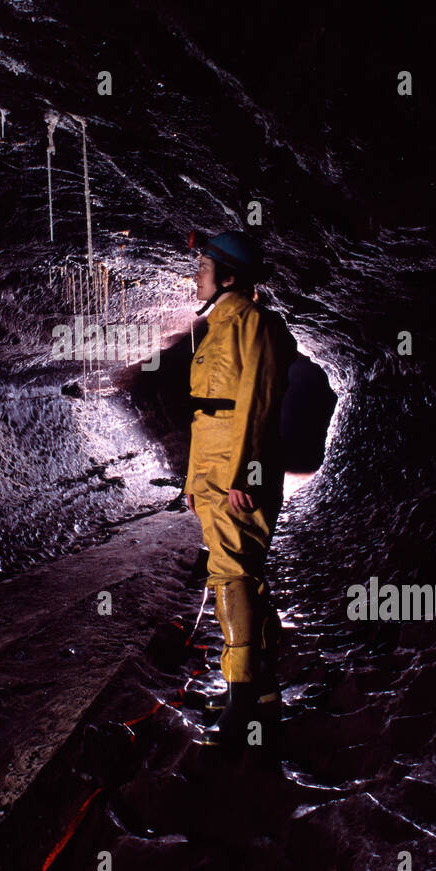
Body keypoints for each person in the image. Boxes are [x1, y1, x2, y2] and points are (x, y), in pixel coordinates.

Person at [184, 231, 297, 752]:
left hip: (236, 464)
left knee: (231, 575)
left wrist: (246, 472)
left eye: (204, 265)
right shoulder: (213, 328)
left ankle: (241, 698)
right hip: (211, 462)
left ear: (229, 276)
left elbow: (256, 400)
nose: (197, 273)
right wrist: (192, 479)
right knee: (236, 572)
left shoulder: (254, 324)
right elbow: (203, 410)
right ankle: (263, 689)